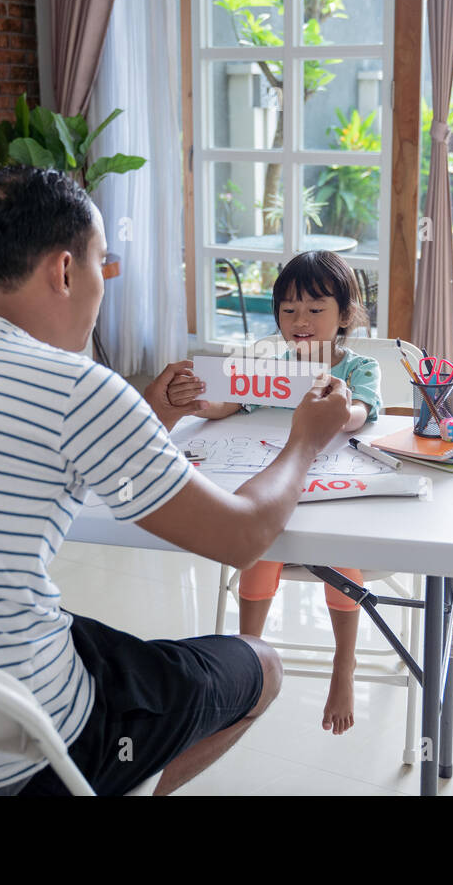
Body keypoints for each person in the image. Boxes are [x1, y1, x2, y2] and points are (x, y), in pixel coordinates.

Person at [0, 166, 351, 795]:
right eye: (103, 264)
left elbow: (32, 451)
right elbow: (242, 538)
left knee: (63, 623)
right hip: (13, 764)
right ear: (65, 272)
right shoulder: (77, 388)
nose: (104, 285)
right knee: (259, 664)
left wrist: (150, 414)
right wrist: (305, 440)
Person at [165, 251, 381, 734]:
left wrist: (336, 408)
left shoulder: (359, 369)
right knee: (256, 548)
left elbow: (359, 415)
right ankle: (247, 663)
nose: (299, 321)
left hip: (328, 494)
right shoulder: (269, 364)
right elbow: (228, 404)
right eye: (287, 310)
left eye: (315, 309)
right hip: (268, 489)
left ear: (345, 315)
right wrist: (199, 400)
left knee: (339, 551)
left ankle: (342, 665)